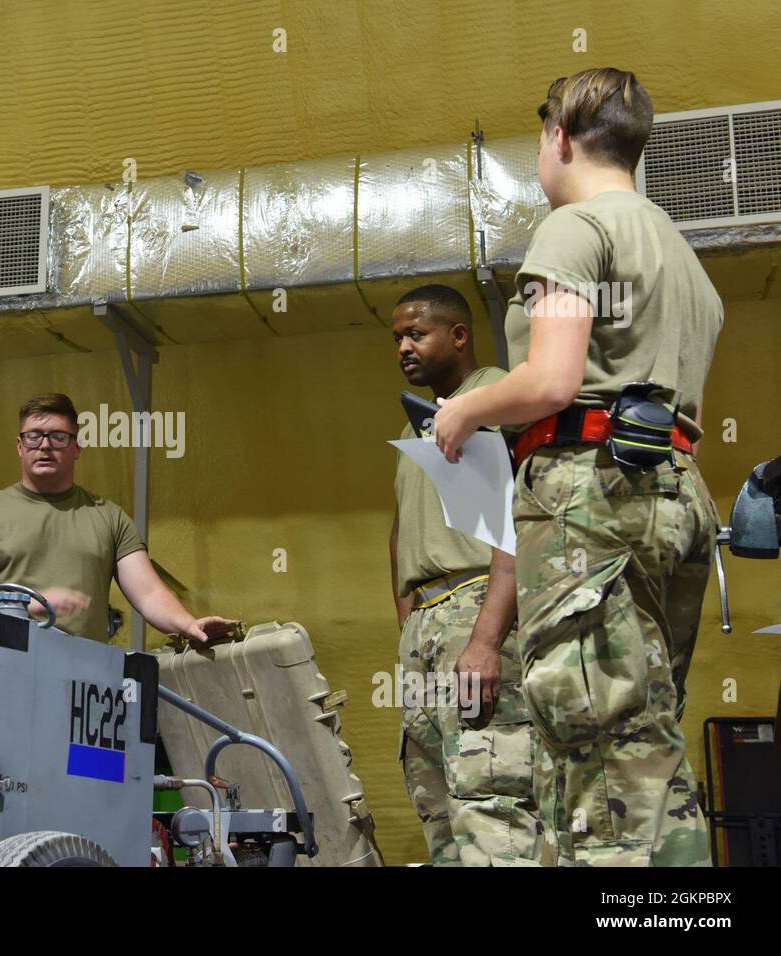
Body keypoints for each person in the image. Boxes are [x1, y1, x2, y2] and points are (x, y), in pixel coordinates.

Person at [432, 69, 722, 866]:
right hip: (675, 493)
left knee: (598, 755)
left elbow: (553, 381)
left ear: (560, 137)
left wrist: (465, 409)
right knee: (644, 743)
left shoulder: (575, 226)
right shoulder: (682, 257)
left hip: (590, 497)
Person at [389, 284, 541, 866]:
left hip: (478, 609)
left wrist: (483, 639)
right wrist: (409, 624)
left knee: (491, 797)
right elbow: (401, 531)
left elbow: (522, 516)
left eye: (416, 333)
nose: (404, 346)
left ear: (458, 335)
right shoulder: (414, 426)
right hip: (425, 625)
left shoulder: (499, 396)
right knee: (436, 805)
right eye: (398, 337)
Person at [0, 393, 234, 644]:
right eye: (34, 437)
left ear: (76, 448)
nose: (44, 445)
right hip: (6, 670)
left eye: (58, 437)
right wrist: (26, 604)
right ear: (19, 446)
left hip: (83, 681)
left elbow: (149, 593)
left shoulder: (108, 517)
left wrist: (188, 624)